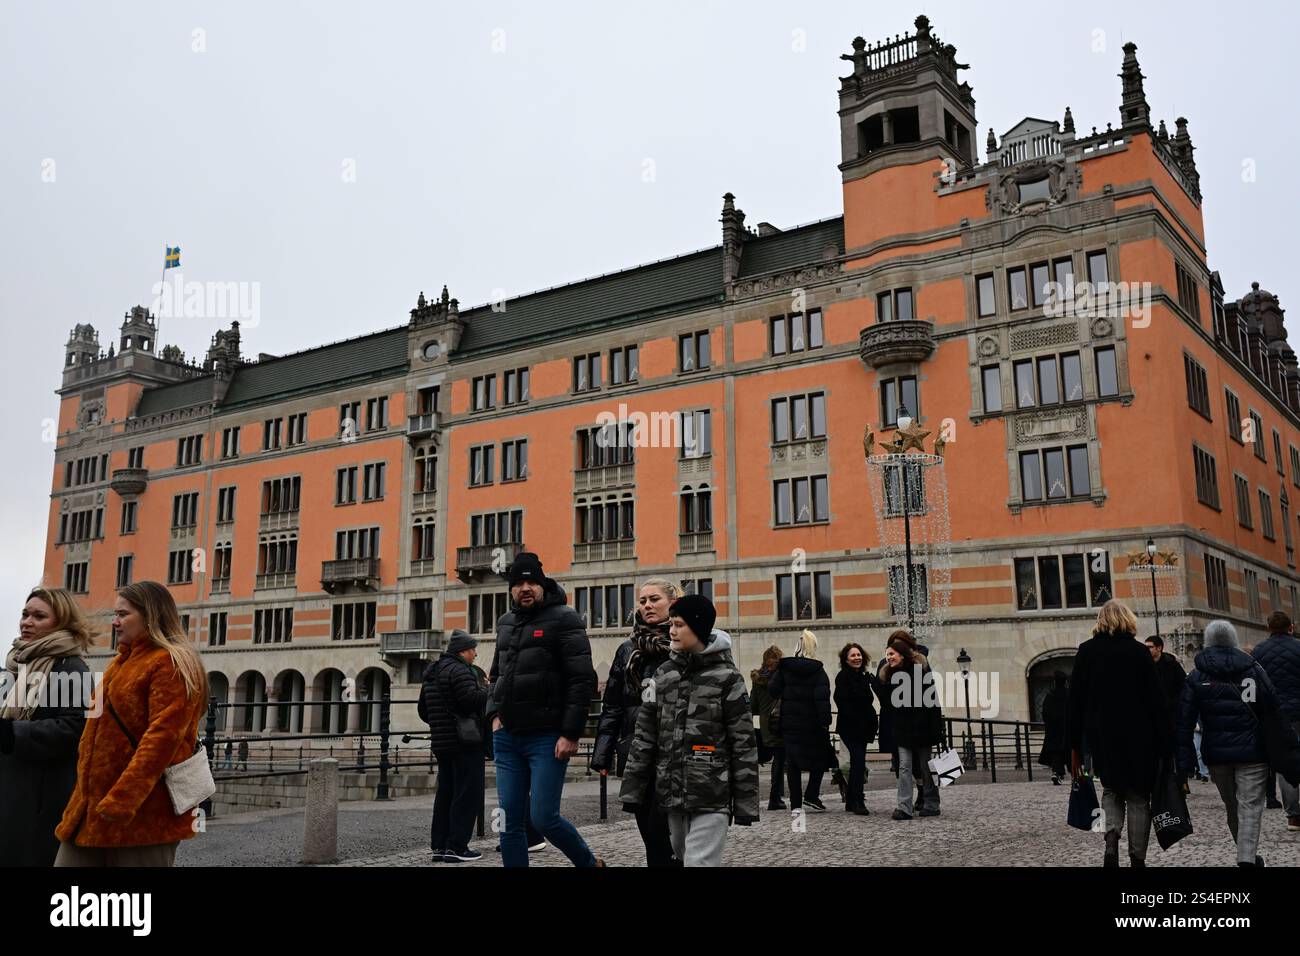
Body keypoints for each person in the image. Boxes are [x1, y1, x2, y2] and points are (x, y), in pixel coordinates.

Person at [55, 581, 208, 867]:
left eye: (123, 614)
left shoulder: (169, 664)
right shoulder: (120, 663)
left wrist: (123, 799)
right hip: (93, 812)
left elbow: (161, 740)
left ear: (150, 615)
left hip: (144, 814)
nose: (115, 622)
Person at [620, 594, 758, 866]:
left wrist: (745, 804)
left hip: (712, 794)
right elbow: (644, 736)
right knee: (683, 856)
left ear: (699, 628)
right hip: (671, 794)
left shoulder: (728, 679)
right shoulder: (662, 675)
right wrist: (633, 791)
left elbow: (743, 743)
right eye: (671, 623)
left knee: (699, 862)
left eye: (679, 624)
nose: (671, 630)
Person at [487, 552, 602, 868]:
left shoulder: (565, 618)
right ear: (511, 588)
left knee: (543, 817)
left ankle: (590, 864)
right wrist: (493, 715)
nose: (525, 588)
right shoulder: (506, 622)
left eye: (531, 582)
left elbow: (581, 680)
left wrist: (571, 732)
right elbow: (496, 674)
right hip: (507, 737)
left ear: (542, 584)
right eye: (519, 583)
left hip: (547, 738)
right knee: (509, 822)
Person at [1067, 600, 1165, 867]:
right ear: (1127, 620)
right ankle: (1137, 858)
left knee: (1111, 789)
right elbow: (1155, 699)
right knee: (1137, 796)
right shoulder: (1139, 652)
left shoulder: (1087, 651)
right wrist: (1164, 742)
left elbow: (1075, 700)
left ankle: (1111, 839)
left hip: (1102, 736)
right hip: (1139, 735)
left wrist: (1074, 743)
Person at [591, 577, 680, 866]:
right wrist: (603, 753)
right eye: (642, 601)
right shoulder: (628, 650)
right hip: (639, 753)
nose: (647, 605)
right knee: (652, 833)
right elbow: (613, 705)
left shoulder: (688, 643)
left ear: (673, 602)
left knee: (680, 835)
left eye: (655, 599)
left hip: (679, 753)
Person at [0, 587, 92, 866]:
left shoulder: (72, 667)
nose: (27, 622)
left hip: (42, 799)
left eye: (39, 616)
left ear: (61, 622)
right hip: (11, 789)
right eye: (25, 614)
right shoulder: (16, 664)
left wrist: (12, 734)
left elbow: (76, 728)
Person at [1178, 620, 1282, 865]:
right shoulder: (1254, 669)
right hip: (1254, 752)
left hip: (1216, 752)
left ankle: (1245, 856)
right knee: (1250, 805)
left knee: (1232, 805)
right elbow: (1273, 709)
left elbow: (1184, 720)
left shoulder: (1196, 674)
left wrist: (1183, 763)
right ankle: (1246, 859)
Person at [419, 629, 490, 862]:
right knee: (467, 793)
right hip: (465, 742)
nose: (475, 654)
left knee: (446, 793)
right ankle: (457, 847)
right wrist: (487, 689)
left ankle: (439, 846)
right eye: (473, 650)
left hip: (441, 743)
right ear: (463, 651)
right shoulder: (460, 670)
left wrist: (441, 725)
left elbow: (423, 711)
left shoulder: (432, 672)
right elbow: (471, 700)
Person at [876, 630, 943, 820]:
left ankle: (931, 803)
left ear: (903, 653)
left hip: (922, 727)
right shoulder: (887, 673)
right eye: (888, 653)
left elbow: (932, 699)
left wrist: (936, 727)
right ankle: (904, 806)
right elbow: (887, 702)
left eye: (892, 653)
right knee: (904, 766)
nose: (889, 657)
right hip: (902, 728)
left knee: (925, 766)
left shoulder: (919, 669)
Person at [770, 630, 832, 812]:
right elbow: (822, 699)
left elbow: (773, 690)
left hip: (789, 723)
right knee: (820, 758)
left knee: (793, 763)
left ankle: (796, 803)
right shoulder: (818, 671)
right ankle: (812, 794)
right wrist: (825, 721)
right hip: (811, 724)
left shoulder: (785, 668)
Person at [1252, 610, 1300, 832]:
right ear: (1291, 627)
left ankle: (1293, 816)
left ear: (1268, 628)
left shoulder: (1259, 652)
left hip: (1276, 715)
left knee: (1285, 762)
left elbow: (1256, 685)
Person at [834, 642, 877, 815]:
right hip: (851, 727)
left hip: (863, 727)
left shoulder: (863, 676)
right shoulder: (843, 677)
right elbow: (843, 701)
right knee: (858, 763)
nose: (857, 658)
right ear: (846, 659)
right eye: (853, 655)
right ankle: (857, 800)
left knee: (857, 763)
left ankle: (852, 800)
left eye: (858, 655)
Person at [750, 645, 786, 810]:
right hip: (780, 722)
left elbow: (752, 706)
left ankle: (776, 797)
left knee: (776, 760)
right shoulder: (781, 678)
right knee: (780, 760)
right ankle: (775, 797)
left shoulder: (758, 680)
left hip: (766, 725)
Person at [1146, 634, 1186, 744]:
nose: (1147, 650)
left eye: (1150, 647)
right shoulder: (1145, 666)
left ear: (1159, 648)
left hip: (1171, 714)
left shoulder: (1172, 665)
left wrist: (1173, 702)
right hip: (1153, 714)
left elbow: (1184, 686)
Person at [1037, 672, 1070, 784]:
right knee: (1070, 751)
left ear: (1054, 682)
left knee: (1056, 753)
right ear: (1065, 682)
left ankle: (1057, 773)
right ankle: (1075, 774)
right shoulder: (1069, 694)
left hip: (1054, 730)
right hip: (1068, 728)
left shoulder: (1050, 695)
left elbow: (1045, 712)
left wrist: (1049, 724)